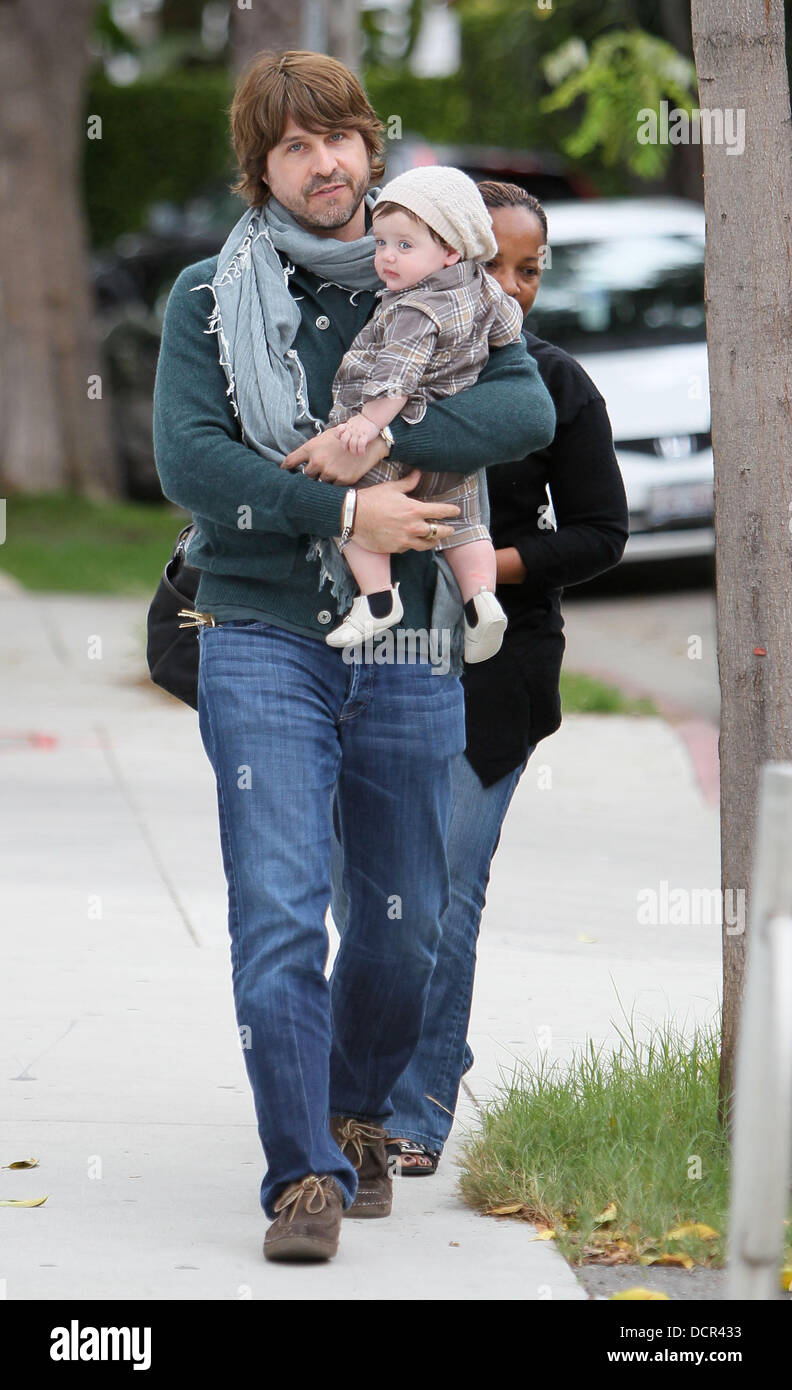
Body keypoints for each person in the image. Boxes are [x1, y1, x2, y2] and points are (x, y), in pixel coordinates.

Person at [152, 52, 556, 1263]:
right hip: (262, 627)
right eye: (293, 146)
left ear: (372, 149)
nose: (323, 163)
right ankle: (303, 1176)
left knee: (408, 920)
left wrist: (376, 434)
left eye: (340, 138)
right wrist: (344, 513)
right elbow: (193, 462)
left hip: (413, 634)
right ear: (261, 169)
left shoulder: (451, 274)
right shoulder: (207, 297)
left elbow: (524, 411)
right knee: (279, 910)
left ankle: (356, 1109)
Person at [330, 180, 630, 1174]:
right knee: (372, 901)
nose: (511, 285)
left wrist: (478, 559)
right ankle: (396, 1064)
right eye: (493, 262)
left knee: (442, 893)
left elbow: (602, 533)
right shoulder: (380, 364)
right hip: (379, 660)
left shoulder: (552, 385)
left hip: (494, 670)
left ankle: (411, 1110)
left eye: (529, 269)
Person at [304, 166, 523, 663]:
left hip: (401, 436)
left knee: (349, 510)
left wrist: (368, 423)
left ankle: (377, 599)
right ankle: (481, 600)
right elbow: (510, 326)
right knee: (467, 527)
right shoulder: (480, 287)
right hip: (453, 441)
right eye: (381, 243)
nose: (386, 258)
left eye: (404, 246)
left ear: (450, 249)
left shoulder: (413, 310)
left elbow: (396, 379)